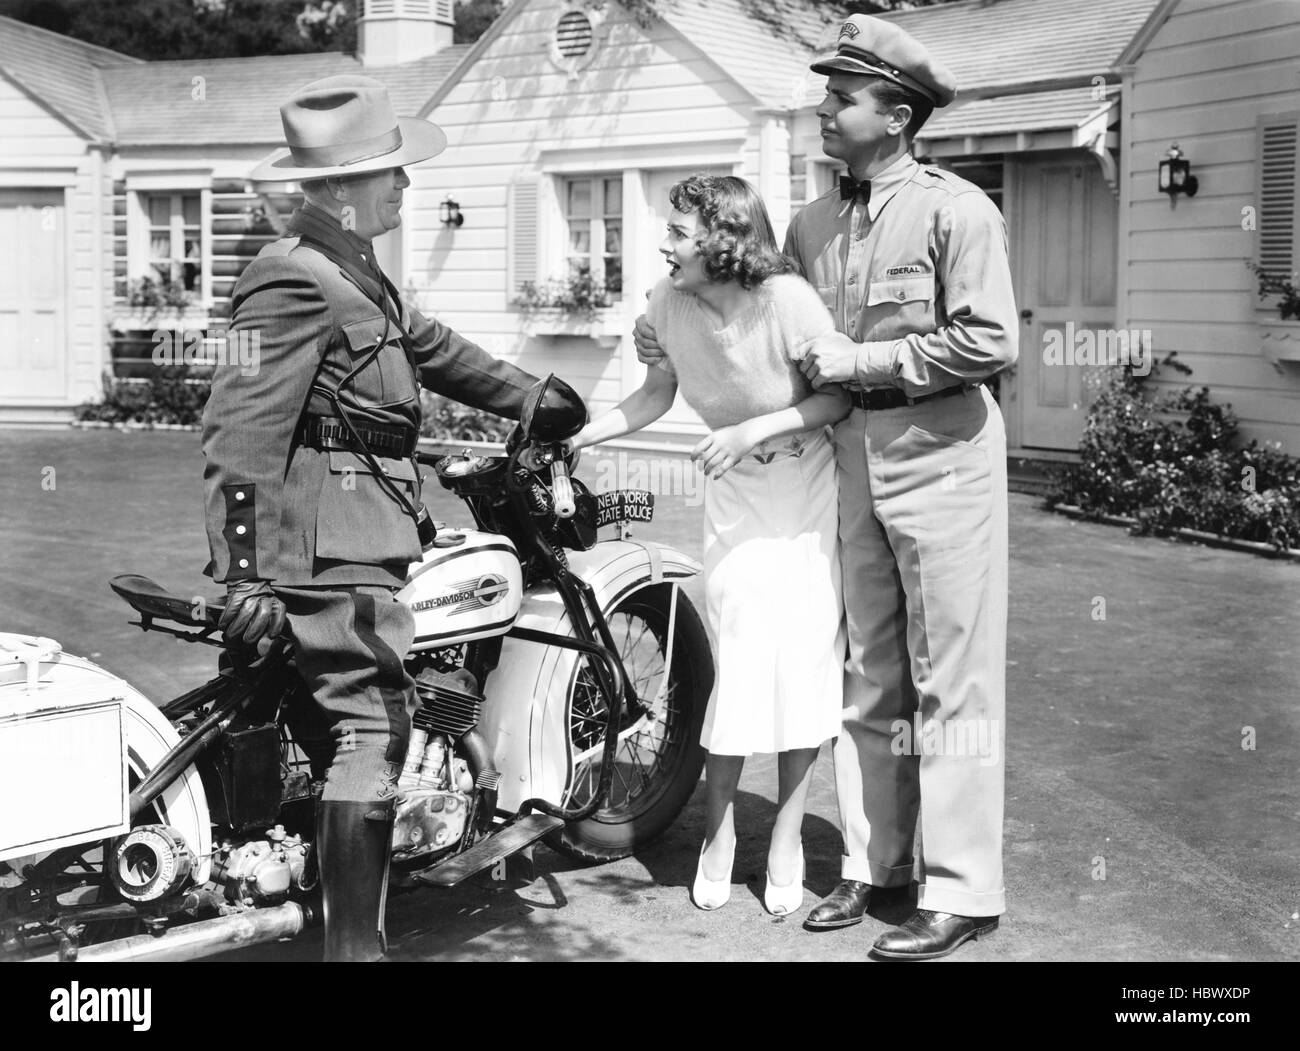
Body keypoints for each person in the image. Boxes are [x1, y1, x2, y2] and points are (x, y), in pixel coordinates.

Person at [637, 15, 1018, 959]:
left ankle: (963, 887)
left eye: (842, 97)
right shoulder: (811, 224)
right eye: (827, 93)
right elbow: (763, 318)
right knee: (868, 674)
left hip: (944, 456)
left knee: (953, 683)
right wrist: (671, 334)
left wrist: (868, 355)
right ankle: (875, 865)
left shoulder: (956, 211)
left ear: (896, 115)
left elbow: (989, 339)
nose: (824, 108)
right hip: (849, 464)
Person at [202, 75, 547, 961]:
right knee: (372, 728)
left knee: (332, 737)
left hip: (367, 536)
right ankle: (357, 952)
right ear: (348, 183)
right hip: (326, 551)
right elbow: (239, 433)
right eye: (391, 172)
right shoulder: (288, 276)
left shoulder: (357, 274)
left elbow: (430, 349)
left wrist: (535, 399)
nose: (405, 187)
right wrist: (243, 570)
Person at [570, 175, 850, 916]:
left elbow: (838, 397)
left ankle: (786, 833)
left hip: (805, 485)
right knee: (743, 659)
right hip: (736, 498)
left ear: (723, 241)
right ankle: (718, 833)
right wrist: (580, 433)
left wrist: (753, 429)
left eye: (679, 231)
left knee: (804, 661)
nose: (664, 243)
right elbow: (654, 396)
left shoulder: (787, 301)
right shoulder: (666, 305)